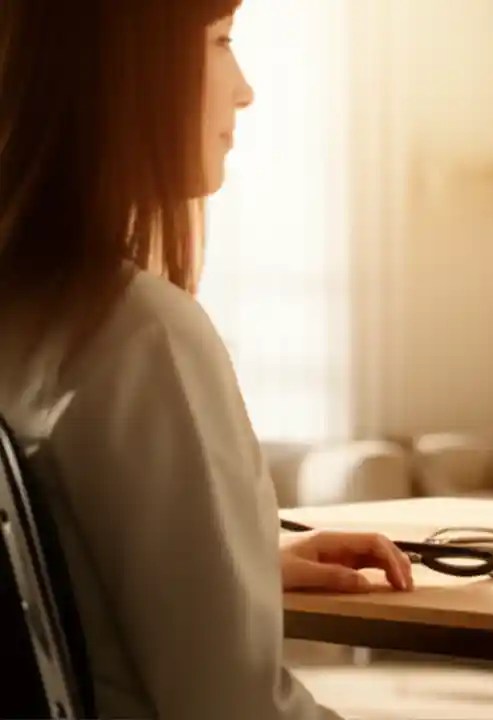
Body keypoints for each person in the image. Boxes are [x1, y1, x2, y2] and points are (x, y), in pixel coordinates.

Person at [0, 2, 412, 718]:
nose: (245, 88)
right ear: (124, 75)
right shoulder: (134, 336)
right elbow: (235, 707)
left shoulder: (26, 317)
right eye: (221, 42)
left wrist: (233, 571)